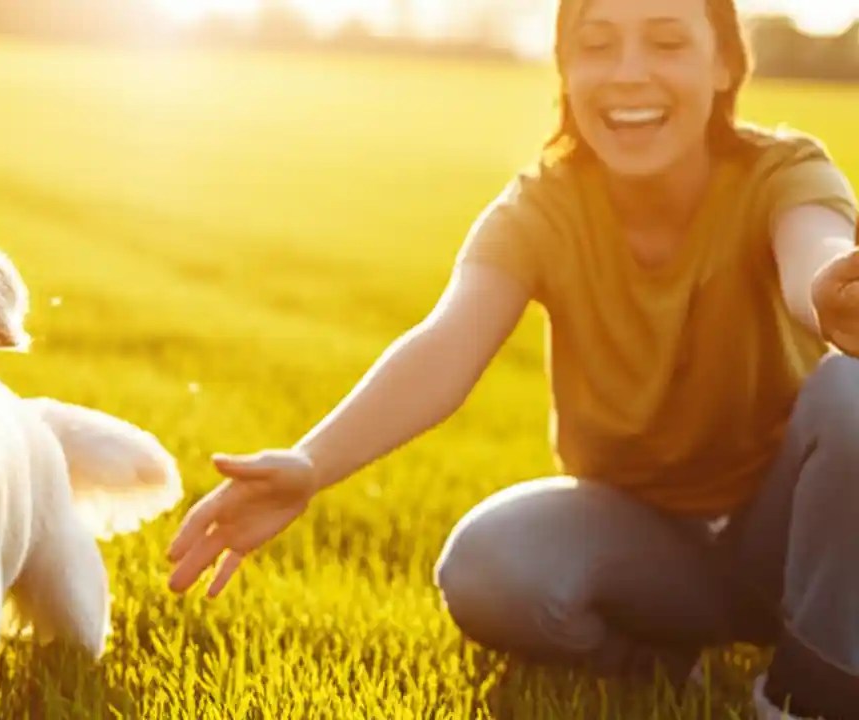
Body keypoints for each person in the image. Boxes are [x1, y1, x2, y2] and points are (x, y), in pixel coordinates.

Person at [164, 0, 859, 717]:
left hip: (789, 534)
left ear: (724, 65)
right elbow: (445, 345)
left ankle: (813, 689)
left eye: (665, 42)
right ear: (565, 67)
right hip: (646, 544)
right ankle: (654, 660)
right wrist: (311, 464)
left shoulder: (782, 170)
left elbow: (817, 253)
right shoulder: (542, 207)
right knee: (490, 566)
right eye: (596, 45)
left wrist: (830, 291)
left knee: (855, 386)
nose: (628, 74)